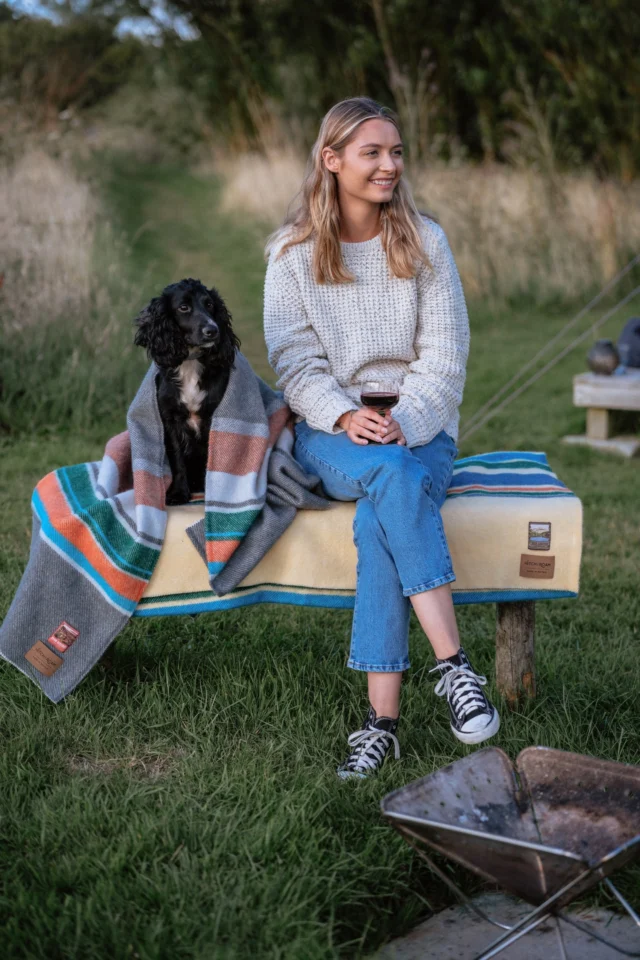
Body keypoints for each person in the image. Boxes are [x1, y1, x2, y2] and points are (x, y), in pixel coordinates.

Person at [263, 96, 499, 779]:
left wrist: (408, 419)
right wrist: (342, 415)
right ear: (331, 160)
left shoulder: (426, 241)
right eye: (372, 153)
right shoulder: (291, 254)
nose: (389, 165)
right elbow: (294, 362)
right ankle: (455, 667)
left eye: (396, 152)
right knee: (390, 476)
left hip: (422, 429)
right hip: (329, 431)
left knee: (379, 517)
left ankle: (381, 727)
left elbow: (446, 357)